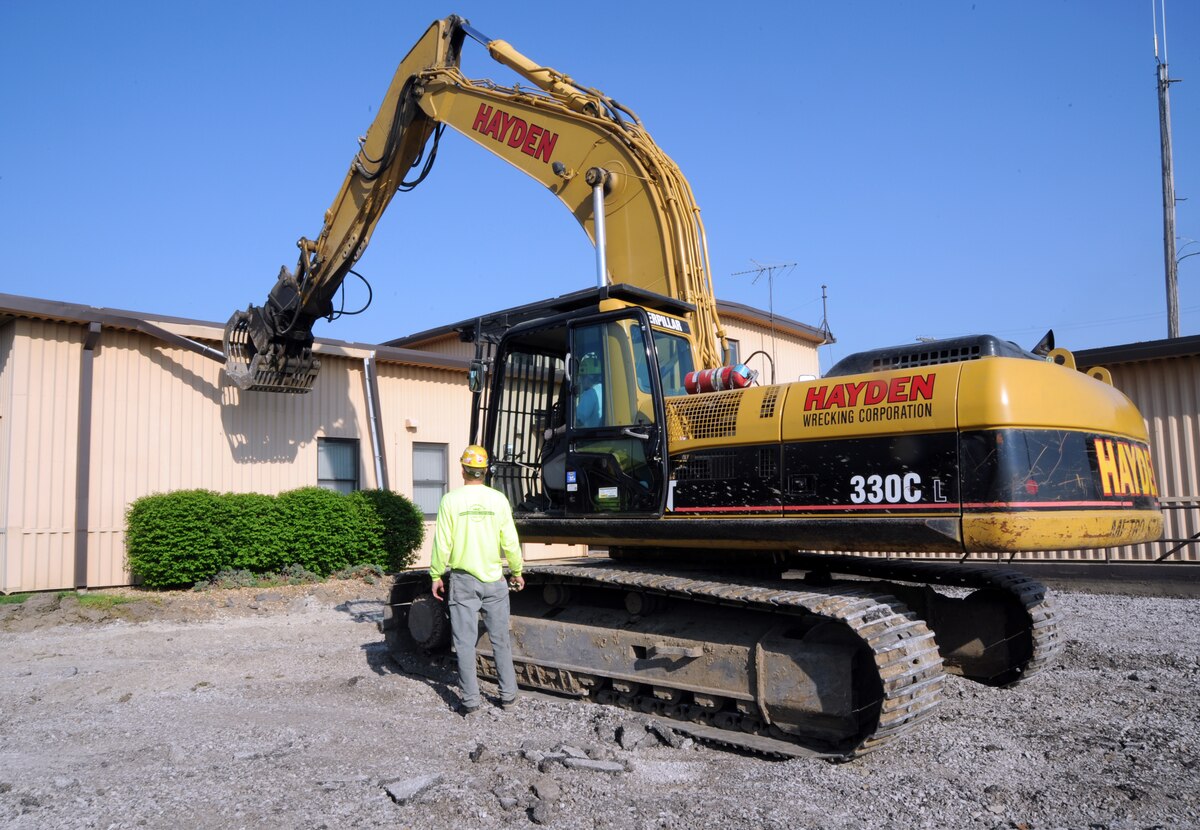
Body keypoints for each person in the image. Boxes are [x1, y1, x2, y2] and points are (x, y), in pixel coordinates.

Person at [429, 445, 525, 715]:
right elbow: (510, 541)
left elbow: (442, 543)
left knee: (464, 643)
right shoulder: (498, 500)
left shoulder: (450, 500)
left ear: (462, 470)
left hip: (463, 580)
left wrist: (436, 574)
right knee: (500, 641)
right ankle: (508, 697)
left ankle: (471, 702)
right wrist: (516, 571)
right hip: (495, 579)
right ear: (485, 472)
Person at [575, 353, 604, 428]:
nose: (581, 380)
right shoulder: (604, 390)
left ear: (588, 377)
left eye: (582, 377)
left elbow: (576, 422)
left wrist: (555, 431)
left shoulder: (590, 394)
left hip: (591, 437)